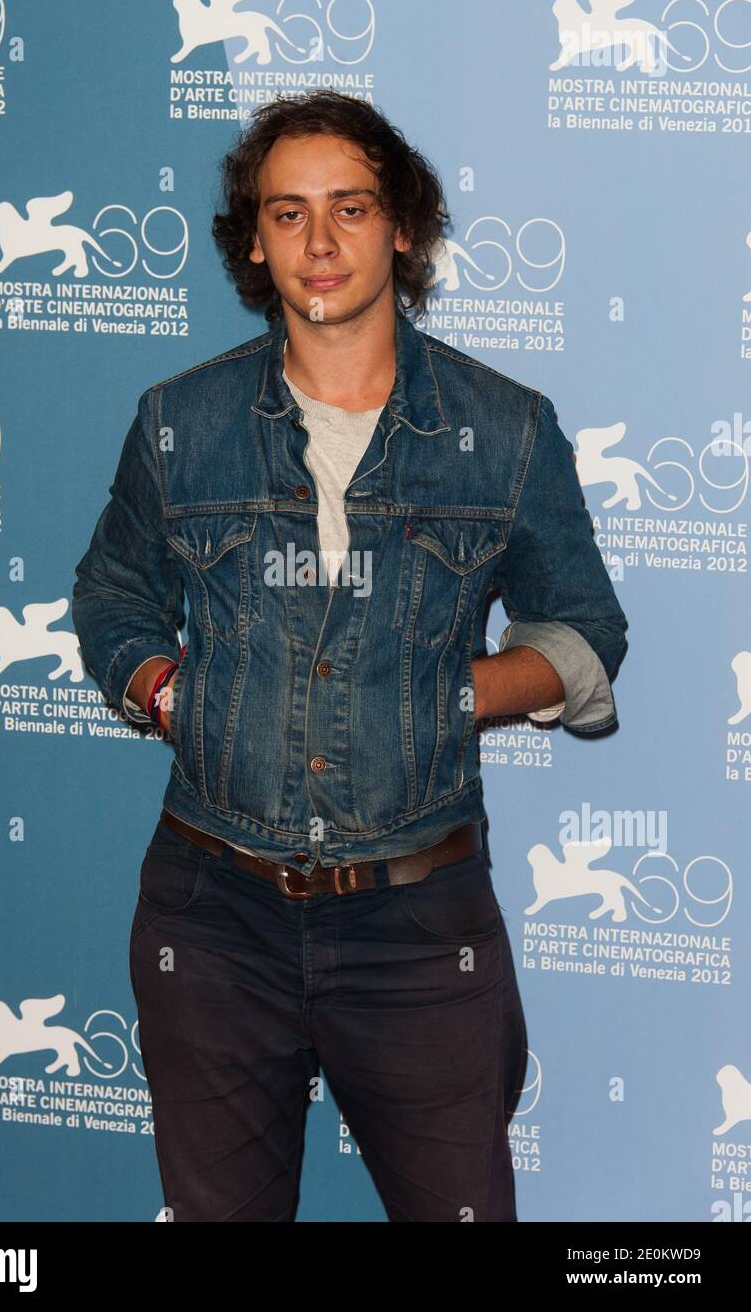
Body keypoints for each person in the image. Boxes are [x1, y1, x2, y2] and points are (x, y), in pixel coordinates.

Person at [72, 91, 628, 1222]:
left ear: (402, 227)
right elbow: (113, 595)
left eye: (350, 209)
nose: (319, 245)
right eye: (287, 214)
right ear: (254, 240)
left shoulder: (504, 429)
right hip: (211, 914)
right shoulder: (181, 421)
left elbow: (583, 627)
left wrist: (455, 695)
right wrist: (166, 691)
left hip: (418, 924)